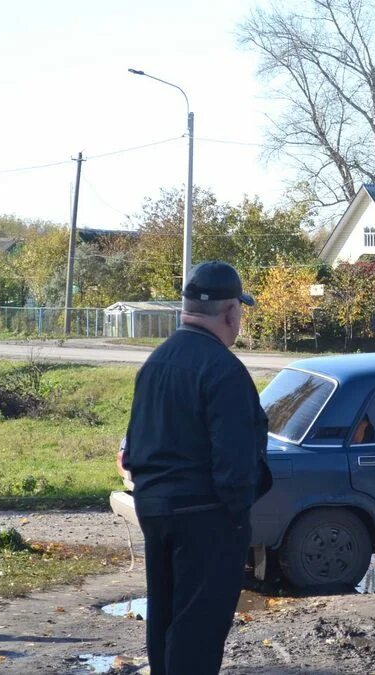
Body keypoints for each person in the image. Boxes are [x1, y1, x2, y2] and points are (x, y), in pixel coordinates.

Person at [123, 261, 272, 675]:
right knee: (198, 633)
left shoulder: (155, 363)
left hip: (155, 512)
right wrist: (236, 518)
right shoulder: (224, 371)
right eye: (240, 311)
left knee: (165, 621)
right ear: (230, 313)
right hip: (206, 519)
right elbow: (236, 463)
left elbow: (132, 448)